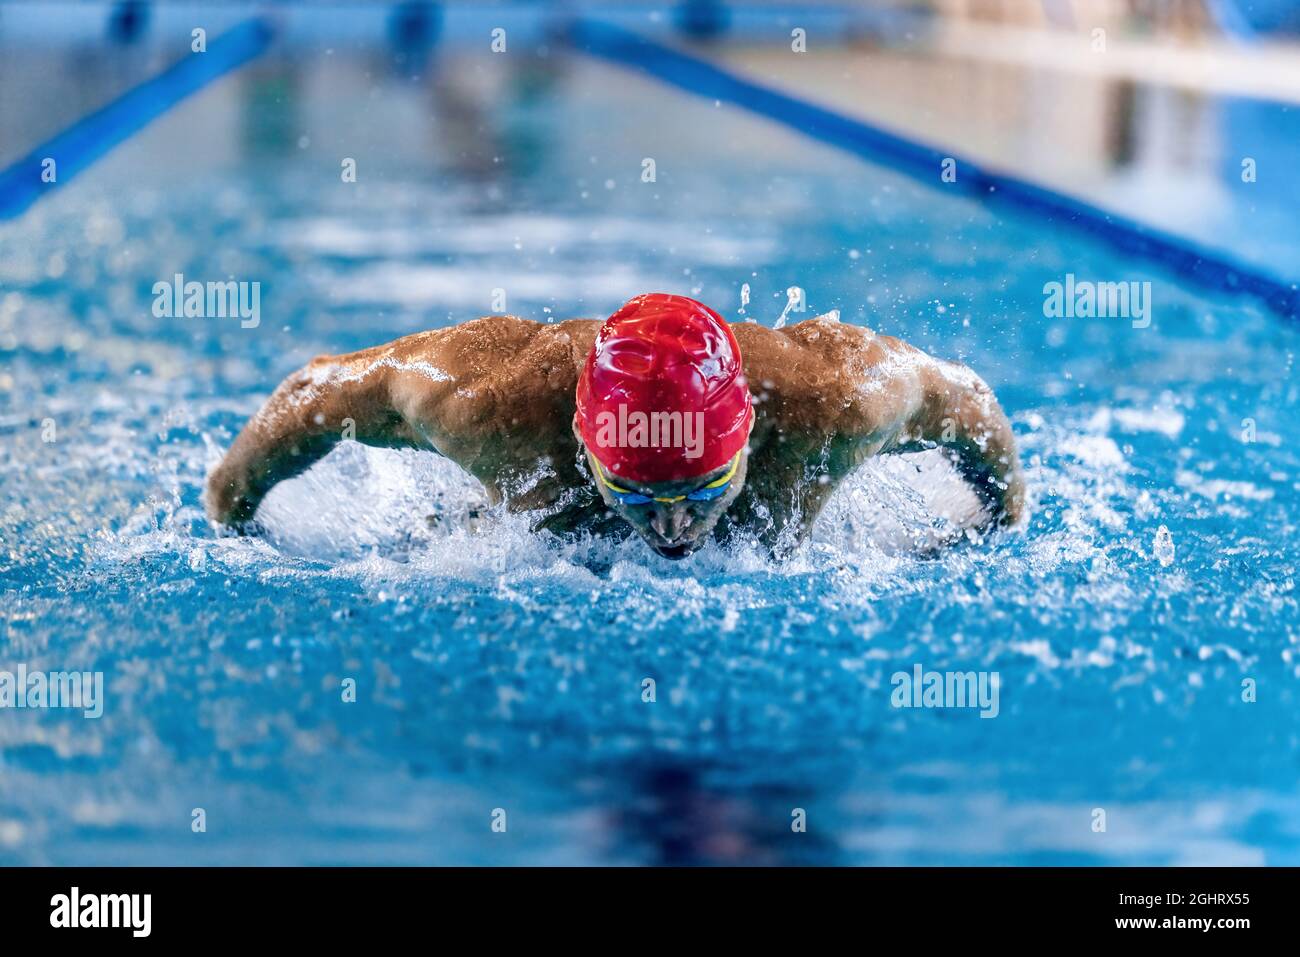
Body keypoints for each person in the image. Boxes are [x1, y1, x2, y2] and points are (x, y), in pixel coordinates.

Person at [205, 293, 1025, 559]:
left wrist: (1001, 514)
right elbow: (320, 389)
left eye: (703, 487)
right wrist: (230, 505)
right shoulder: (489, 408)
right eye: (634, 493)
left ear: (746, 438)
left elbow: (970, 403)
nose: (673, 525)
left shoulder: (834, 407)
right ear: (582, 441)